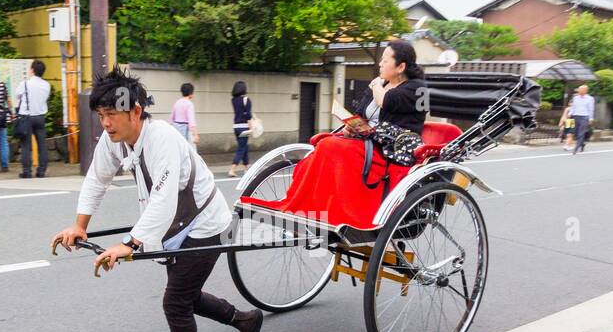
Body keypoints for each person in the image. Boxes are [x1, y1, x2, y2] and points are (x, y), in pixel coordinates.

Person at [51, 67, 263, 332]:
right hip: (173, 227)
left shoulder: (162, 138)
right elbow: (96, 180)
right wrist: (80, 225)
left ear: (135, 112)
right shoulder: (115, 141)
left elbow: (163, 199)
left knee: (175, 301)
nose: (105, 123)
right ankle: (245, 320)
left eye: (111, 115)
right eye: (101, 115)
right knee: (186, 295)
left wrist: (130, 244)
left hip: (204, 225)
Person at [241, 40, 428, 230]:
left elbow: (387, 102)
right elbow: (362, 113)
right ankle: (311, 206)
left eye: (385, 60)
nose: (380, 63)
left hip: (393, 148)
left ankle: (341, 214)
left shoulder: (417, 88)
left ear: (401, 66)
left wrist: (377, 86)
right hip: (369, 140)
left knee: (333, 147)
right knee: (326, 143)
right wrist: (352, 126)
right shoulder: (379, 86)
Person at [13, 59, 51, 179]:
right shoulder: (46, 85)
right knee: (42, 144)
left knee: (25, 145)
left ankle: (27, 171)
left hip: (26, 116)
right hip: (40, 116)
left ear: (32, 70)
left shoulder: (25, 84)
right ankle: (41, 171)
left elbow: (17, 95)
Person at [230, 80, 252, 177]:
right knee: (241, 148)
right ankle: (232, 169)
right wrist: (251, 128)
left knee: (244, 147)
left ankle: (247, 168)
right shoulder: (246, 100)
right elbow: (248, 115)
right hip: (244, 127)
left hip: (236, 127)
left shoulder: (233, 100)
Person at [170, 82, 200, 148]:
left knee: (177, 148)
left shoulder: (177, 102)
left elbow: (171, 118)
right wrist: (195, 135)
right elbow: (191, 121)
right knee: (186, 150)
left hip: (175, 127)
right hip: (185, 129)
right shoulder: (189, 104)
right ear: (191, 93)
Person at [568, 84, 595, 154]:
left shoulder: (590, 98)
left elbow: (591, 109)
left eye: (581, 90)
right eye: (579, 90)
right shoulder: (575, 98)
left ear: (585, 91)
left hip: (584, 117)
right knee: (576, 133)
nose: (579, 91)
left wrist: (591, 118)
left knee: (581, 133)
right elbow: (573, 107)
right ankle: (582, 144)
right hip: (575, 116)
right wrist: (570, 114)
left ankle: (576, 148)